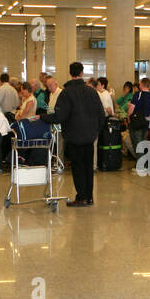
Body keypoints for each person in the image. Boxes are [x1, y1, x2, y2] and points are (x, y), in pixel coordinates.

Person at [43, 61, 106, 207]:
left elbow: (60, 116)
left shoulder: (66, 93)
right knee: (88, 167)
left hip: (73, 137)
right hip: (89, 137)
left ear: (70, 73)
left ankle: (81, 197)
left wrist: (43, 117)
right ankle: (89, 197)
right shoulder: (92, 92)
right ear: (82, 73)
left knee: (78, 168)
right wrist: (95, 131)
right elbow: (101, 115)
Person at [129, 78, 150, 156]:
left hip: (137, 123)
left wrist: (129, 118)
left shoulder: (138, 94)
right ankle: (143, 163)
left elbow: (131, 109)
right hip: (146, 123)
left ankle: (140, 165)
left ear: (142, 84)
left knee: (137, 144)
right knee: (143, 143)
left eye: (140, 84)